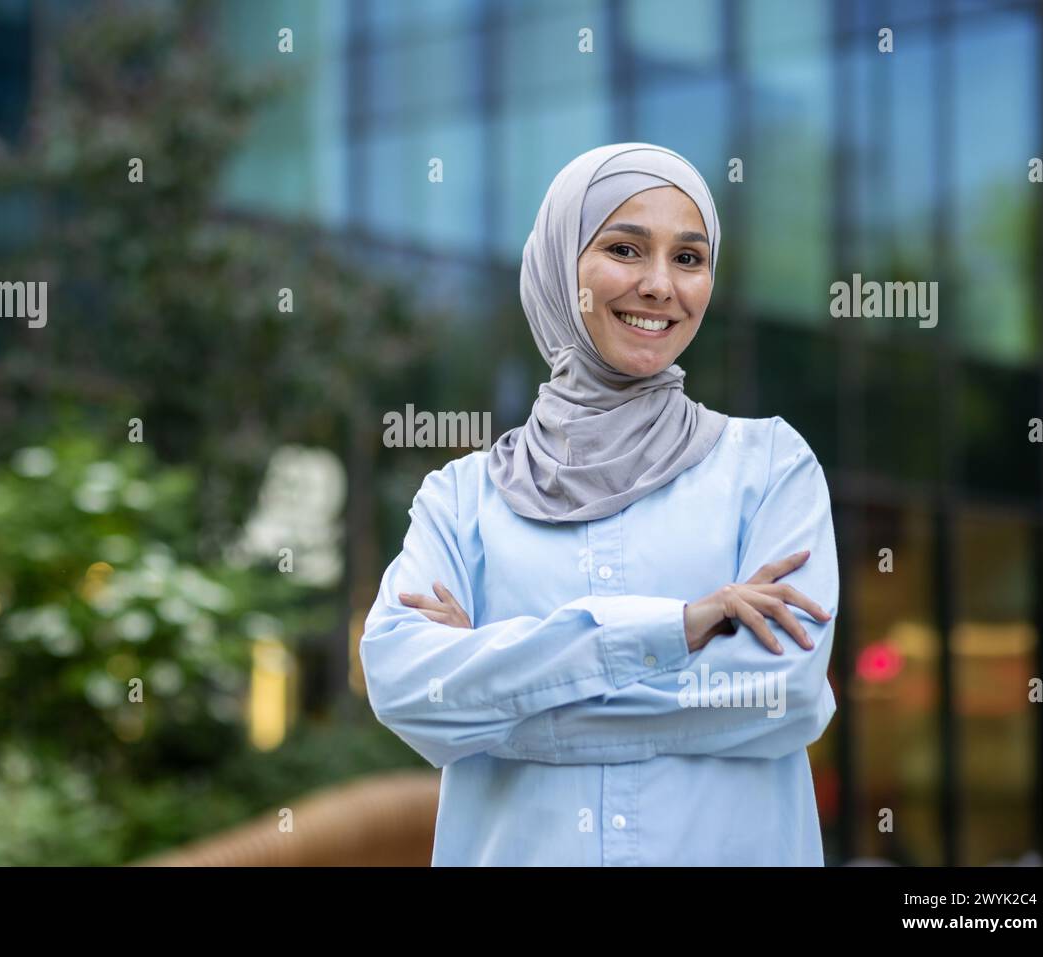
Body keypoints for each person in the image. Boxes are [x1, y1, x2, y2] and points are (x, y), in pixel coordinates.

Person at [358, 143, 838, 866]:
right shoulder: (463, 499)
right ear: (558, 265)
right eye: (624, 248)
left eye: (689, 257)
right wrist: (677, 630)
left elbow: (782, 696)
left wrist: (502, 708)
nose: (658, 284)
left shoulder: (770, 468)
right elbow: (408, 685)